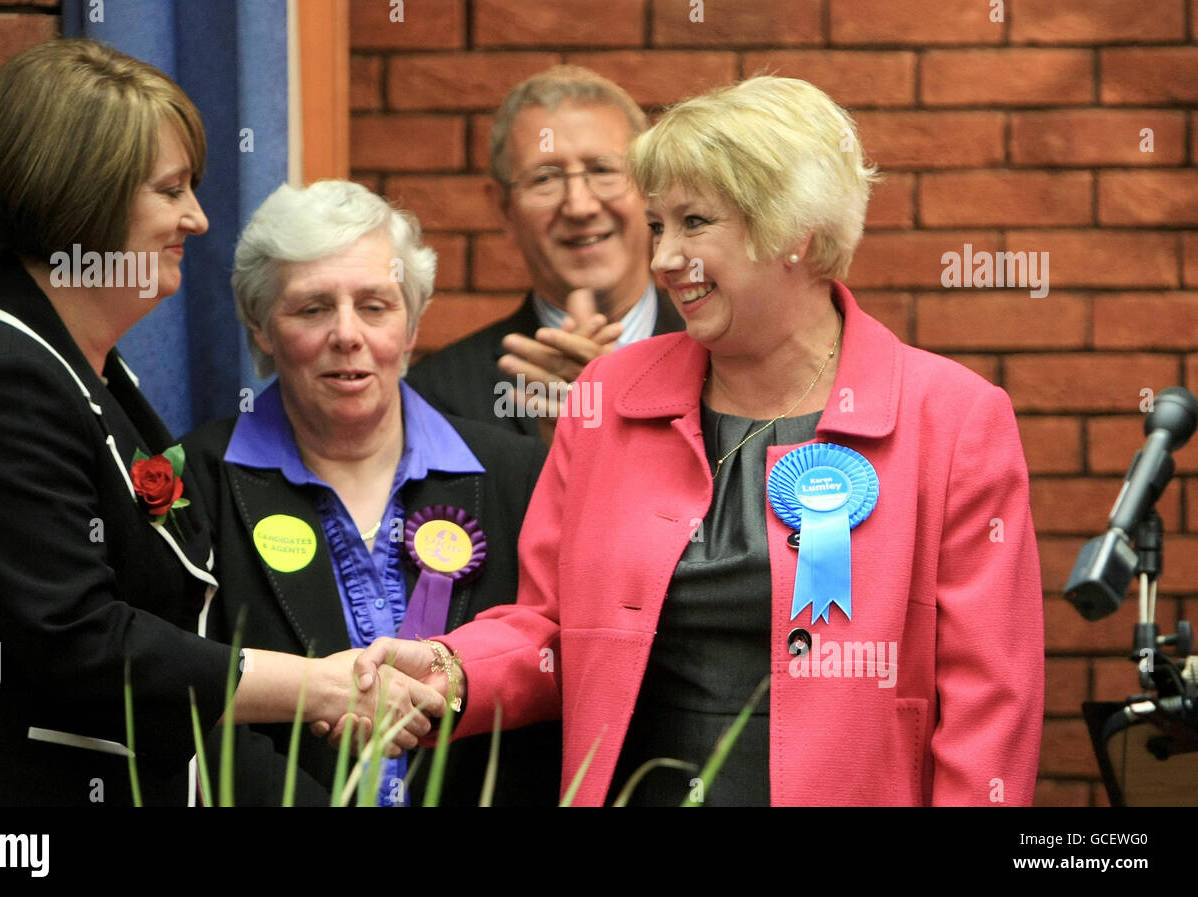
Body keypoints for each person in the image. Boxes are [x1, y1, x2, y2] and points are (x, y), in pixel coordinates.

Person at [357, 75, 1045, 806]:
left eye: (693, 223)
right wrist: (454, 669)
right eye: (658, 225)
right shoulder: (606, 397)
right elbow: (552, 628)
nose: (660, 257)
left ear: (791, 232)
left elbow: (990, 702)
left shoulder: (955, 417)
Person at [0, 39, 442, 807]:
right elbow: (83, 643)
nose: (197, 216)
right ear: (82, 196)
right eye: (172, 188)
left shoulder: (82, 367)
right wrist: (318, 686)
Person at [182, 179, 560, 806]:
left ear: (411, 325)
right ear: (261, 327)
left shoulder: (517, 473)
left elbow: (553, 672)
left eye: (376, 305)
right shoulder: (199, 481)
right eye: (312, 308)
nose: (347, 334)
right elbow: (186, 706)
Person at [406, 66, 684, 442]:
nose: (579, 206)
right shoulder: (437, 398)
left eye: (603, 170)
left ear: (650, 190)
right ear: (503, 208)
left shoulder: (723, 361)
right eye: (545, 178)